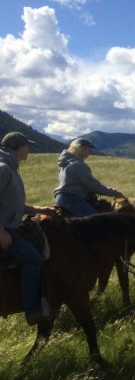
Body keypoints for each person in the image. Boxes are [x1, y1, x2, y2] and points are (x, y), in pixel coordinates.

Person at [0, 132, 58, 324]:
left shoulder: (11, 169)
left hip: (11, 228)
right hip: (6, 231)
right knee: (32, 258)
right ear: (17, 148)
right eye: (26, 146)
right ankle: (33, 310)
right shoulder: (4, 169)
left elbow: (12, 204)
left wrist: (38, 209)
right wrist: (1, 231)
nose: (28, 150)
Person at [53, 138, 124, 216]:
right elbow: (93, 185)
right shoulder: (77, 164)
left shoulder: (66, 163)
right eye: (87, 149)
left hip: (64, 197)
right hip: (71, 198)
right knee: (96, 220)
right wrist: (115, 193)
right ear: (79, 149)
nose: (89, 152)